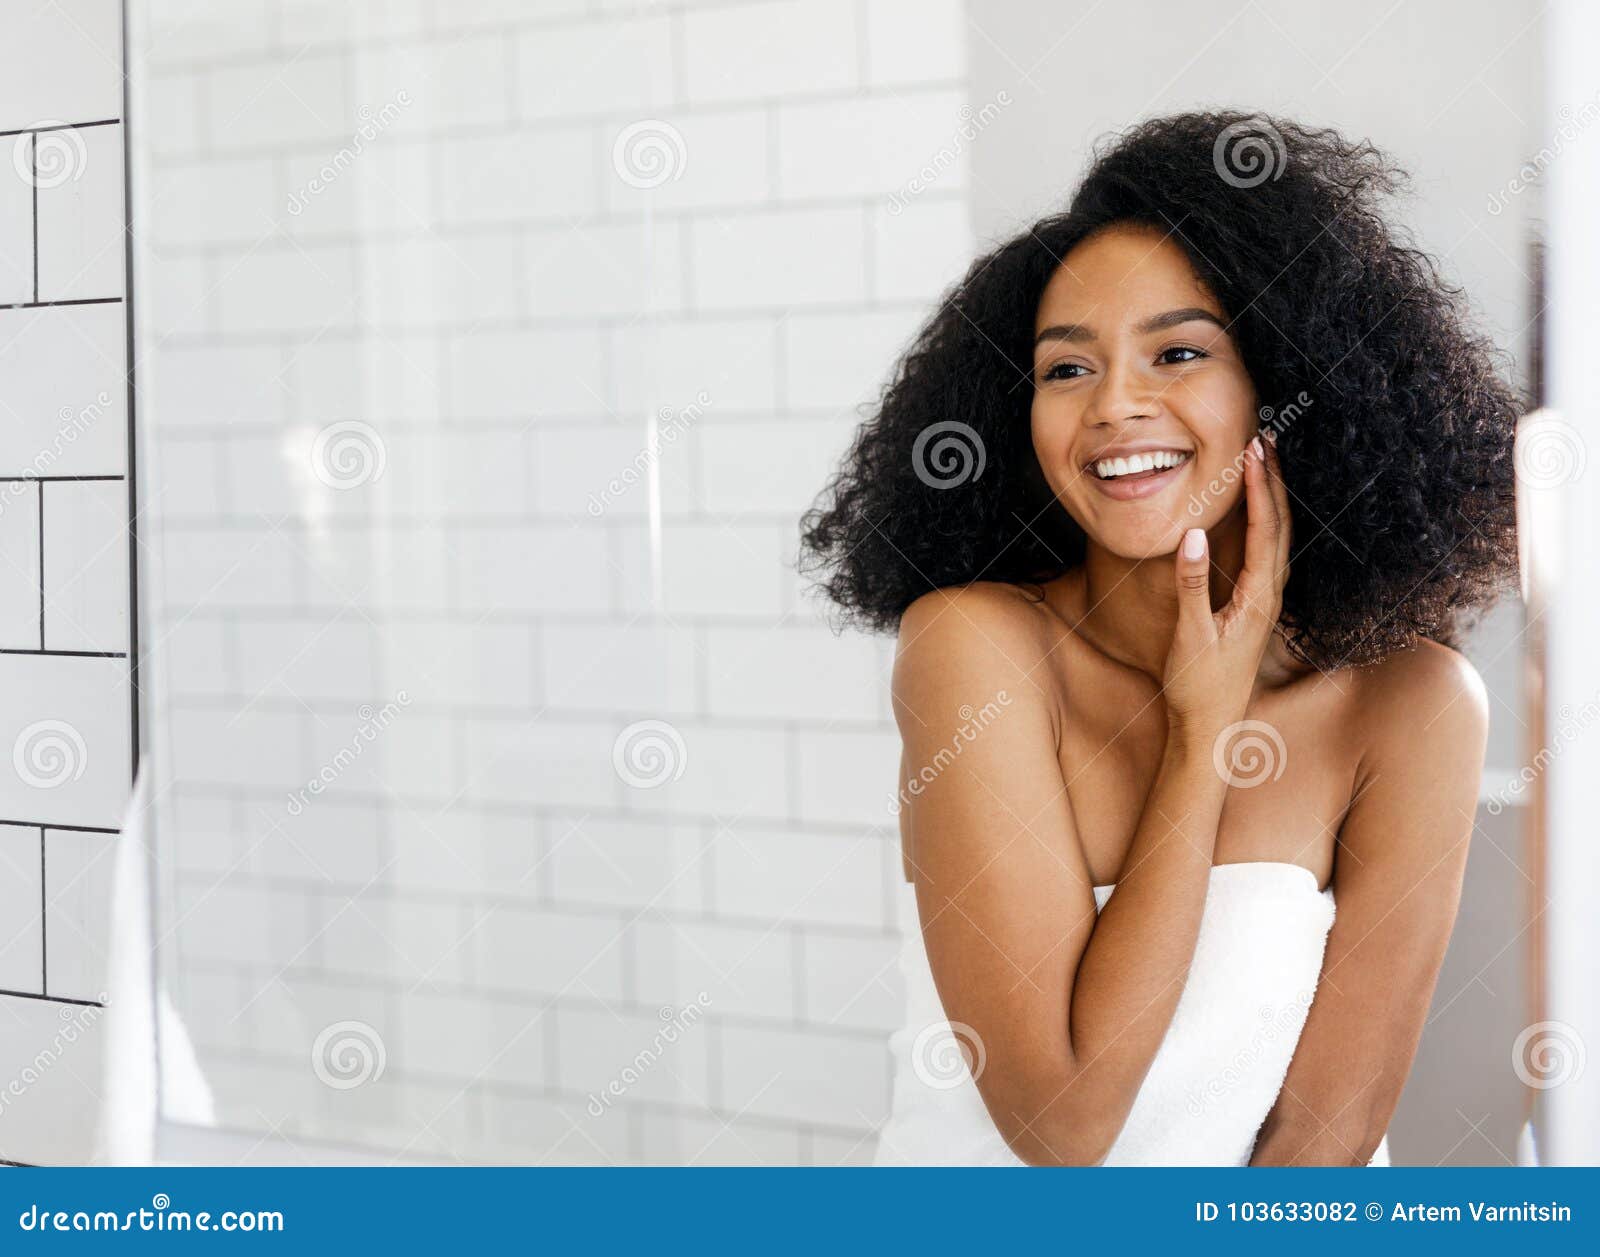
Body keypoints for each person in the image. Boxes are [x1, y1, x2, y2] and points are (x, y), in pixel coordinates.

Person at [800, 111, 1520, 1166]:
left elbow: (1327, 1137)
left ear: (1282, 389)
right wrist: (1202, 734)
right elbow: (1063, 1122)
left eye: (1177, 352)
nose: (1114, 406)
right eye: (1064, 369)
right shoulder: (974, 650)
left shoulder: (1411, 705)